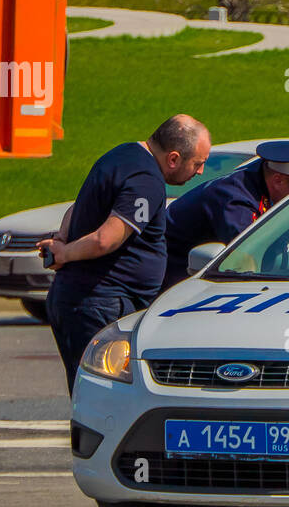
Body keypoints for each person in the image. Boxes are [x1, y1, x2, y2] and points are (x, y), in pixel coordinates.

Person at [39, 114, 211, 393]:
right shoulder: (146, 180)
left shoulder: (121, 155)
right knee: (106, 396)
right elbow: (106, 239)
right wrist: (64, 254)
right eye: (198, 163)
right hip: (100, 304)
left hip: (82, 301)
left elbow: (76, 206)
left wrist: (61, 238)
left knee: (89, 393)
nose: (201, 172)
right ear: (174, 159)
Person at [162, 139, 289, 289]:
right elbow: (253, 260)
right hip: (176, 286)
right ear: (278, 180)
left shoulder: (286, 189)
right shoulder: (235, 199)